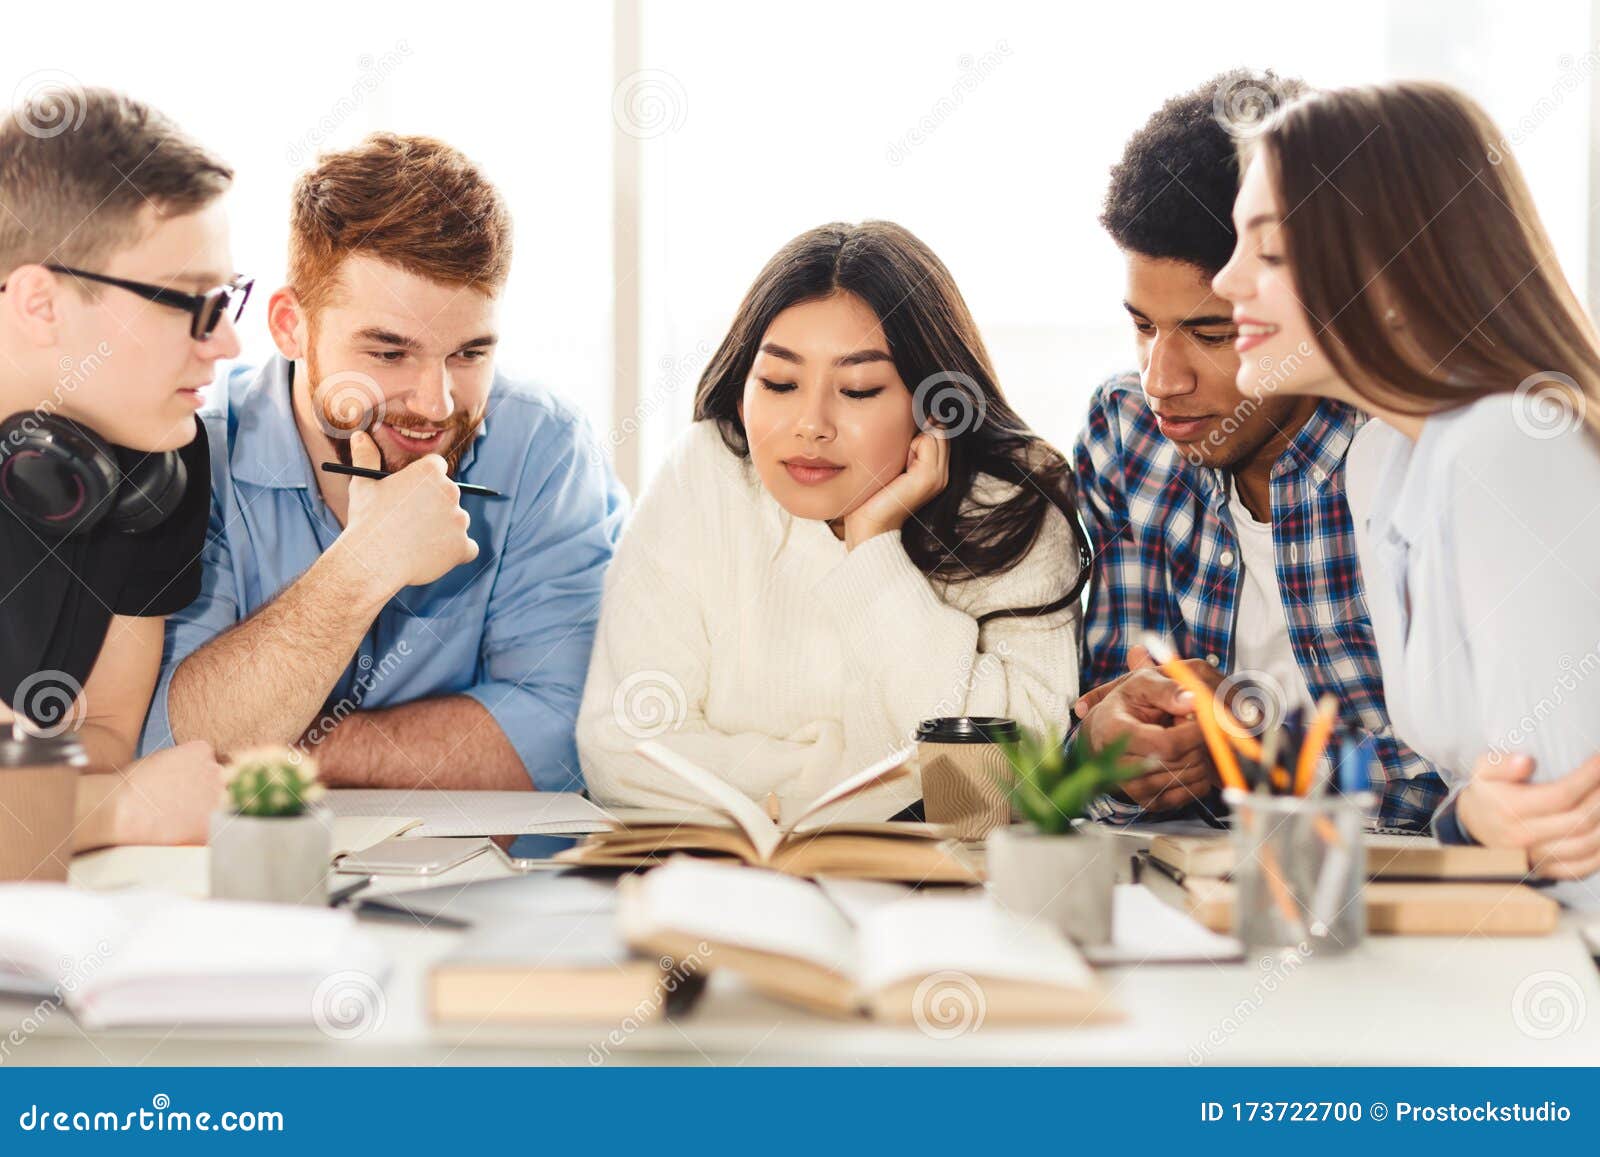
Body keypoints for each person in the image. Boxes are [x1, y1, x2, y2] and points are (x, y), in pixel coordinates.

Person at [140, 133, 627, 792]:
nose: (436, 404)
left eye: (469, 353)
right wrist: (365, 566)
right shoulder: (190, 453)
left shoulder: (545, 448)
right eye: (390, 353)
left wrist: (279, 743)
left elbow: (568, 733)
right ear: (290, 326)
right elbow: (160, 740)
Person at [1214, 80, 1600, 900]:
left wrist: (1478, 822)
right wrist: (1469, 820)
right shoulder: (1383, 460)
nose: (1227, 281)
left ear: (1395, 268)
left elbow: (1565, 838)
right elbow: (1491, 814)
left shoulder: (1508, 447)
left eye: (1270, 252)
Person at [577, 221, 1089, 814]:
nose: (811, 425)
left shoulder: (1011, 509)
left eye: (858, 389)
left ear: (933, 405)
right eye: (779, 383)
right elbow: (621, 750)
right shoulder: (704, 470)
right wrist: (873, 781)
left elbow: (1007, 784)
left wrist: (874, 552)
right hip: (718, 869)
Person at [1072, 70, 1444, 830]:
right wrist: (1108, 747)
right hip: (1188, 879)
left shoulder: (1409, 456)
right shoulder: (1127, 433)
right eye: (1143, 326)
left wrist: (1256, 748)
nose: (1161, 380)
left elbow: (1468, 788)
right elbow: (1099, 718)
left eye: (1213, 333)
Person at [0, 86, 237, 847]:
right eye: (187, 302)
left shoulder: (157, 460)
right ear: (41, 304)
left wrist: (25, 781)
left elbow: (105, 732)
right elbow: (106, 776)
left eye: (225, 299)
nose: (226, 342)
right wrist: (123, 810)